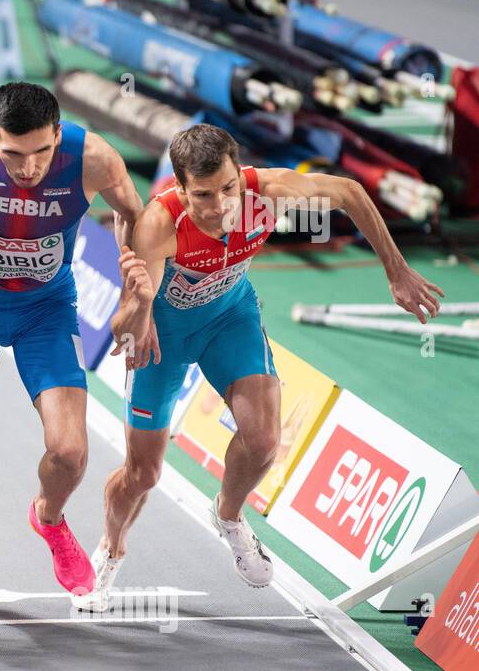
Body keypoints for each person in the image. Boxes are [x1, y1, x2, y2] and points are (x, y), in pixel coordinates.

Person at [85, 123, 444, 612]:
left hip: (229, 320)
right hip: (164, 338)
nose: (220, 207)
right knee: (142, 476)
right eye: (204, 196)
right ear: (180, 188)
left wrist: (396, 270)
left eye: (228, 189)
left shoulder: (268, 191)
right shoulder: (158, 224)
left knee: (263, 441)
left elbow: (352, 192)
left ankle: (229, 517)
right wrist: (139, 306)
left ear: (240, 174)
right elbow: (126, 320)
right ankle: (111, 547)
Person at [0, 81, 143, 619]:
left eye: (42, 151)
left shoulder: (93, 158)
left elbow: (134, 213)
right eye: (14, 154)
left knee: (70, 452)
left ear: (58, 133)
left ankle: (48, 516)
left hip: (45, 311)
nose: (28, 168)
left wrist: (134, 286)